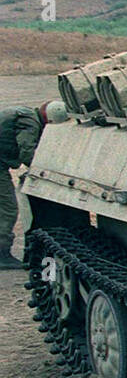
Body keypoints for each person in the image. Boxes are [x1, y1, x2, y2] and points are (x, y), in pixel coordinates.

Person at [1, 100, 66, 270]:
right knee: (8, 208)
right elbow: (27, 152)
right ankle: (2, 255)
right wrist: (42, 173)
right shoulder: (30, 123)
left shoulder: (24, 113)